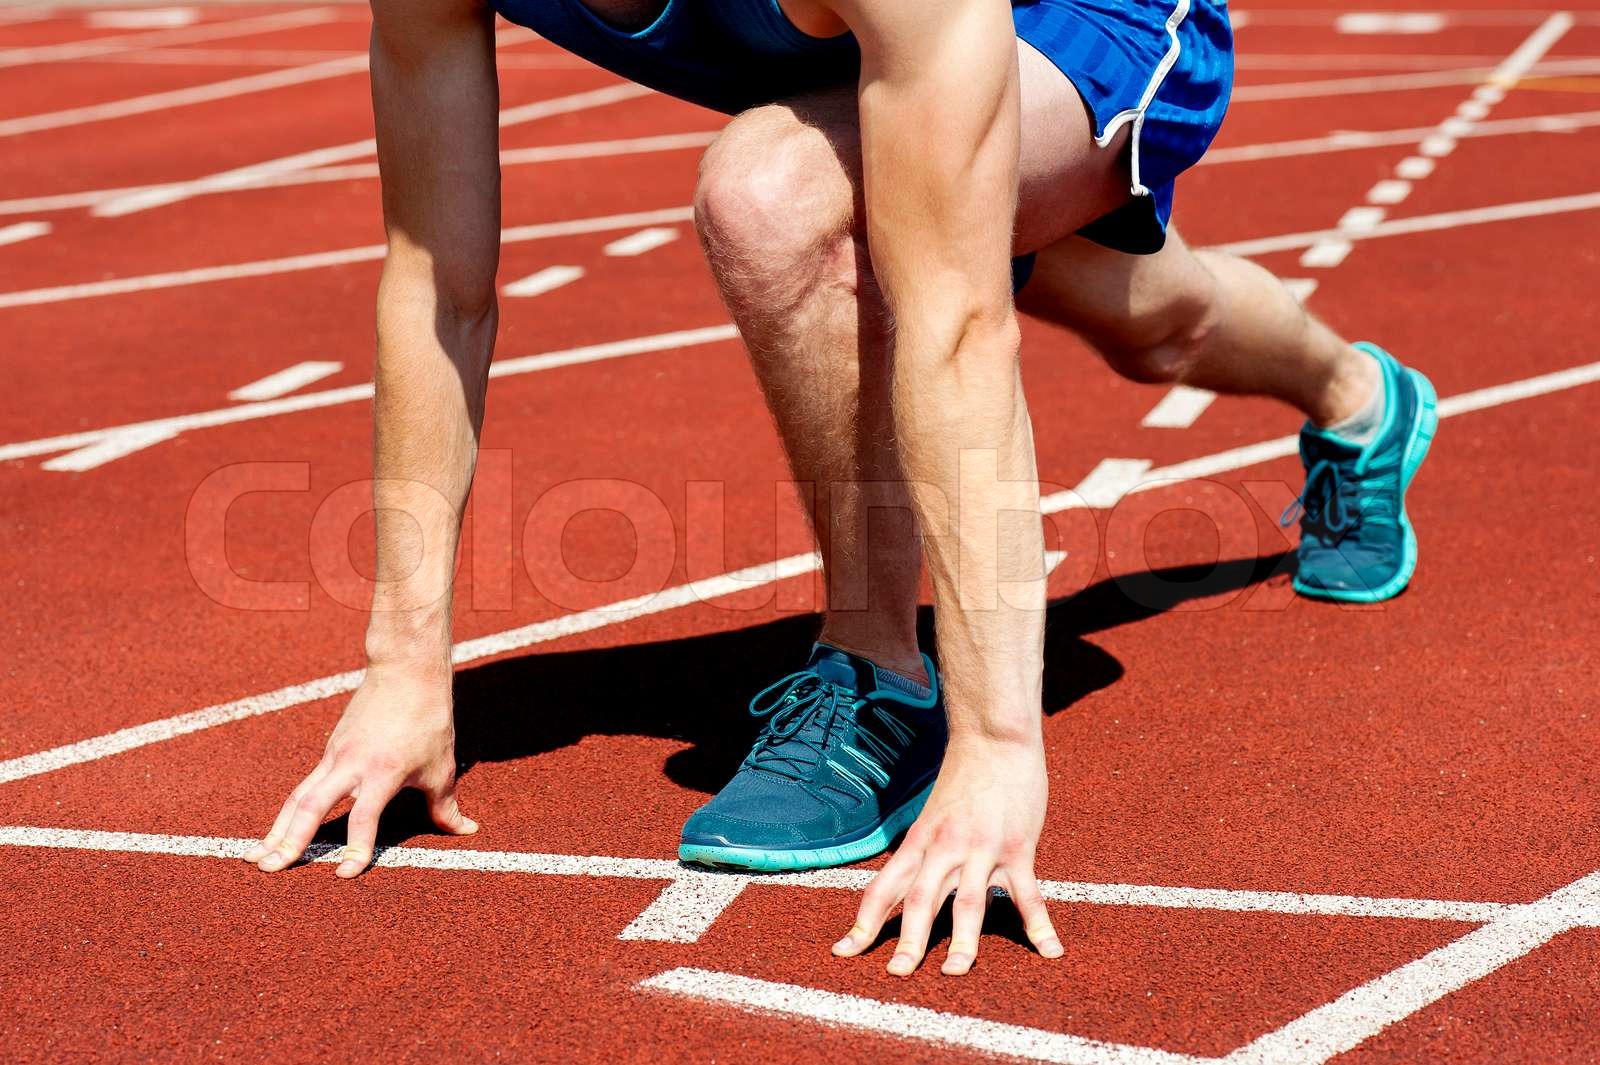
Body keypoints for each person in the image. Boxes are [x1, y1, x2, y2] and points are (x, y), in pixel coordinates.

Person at [243, 0, 1437, 980]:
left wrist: (998, 742)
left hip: (1089, 16)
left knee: (779, 196)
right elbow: (435, 287)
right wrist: (403, 672)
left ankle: (880, 670)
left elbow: (959, 328)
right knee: (1155, 323)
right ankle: (1360, 401)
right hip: (874, 51)